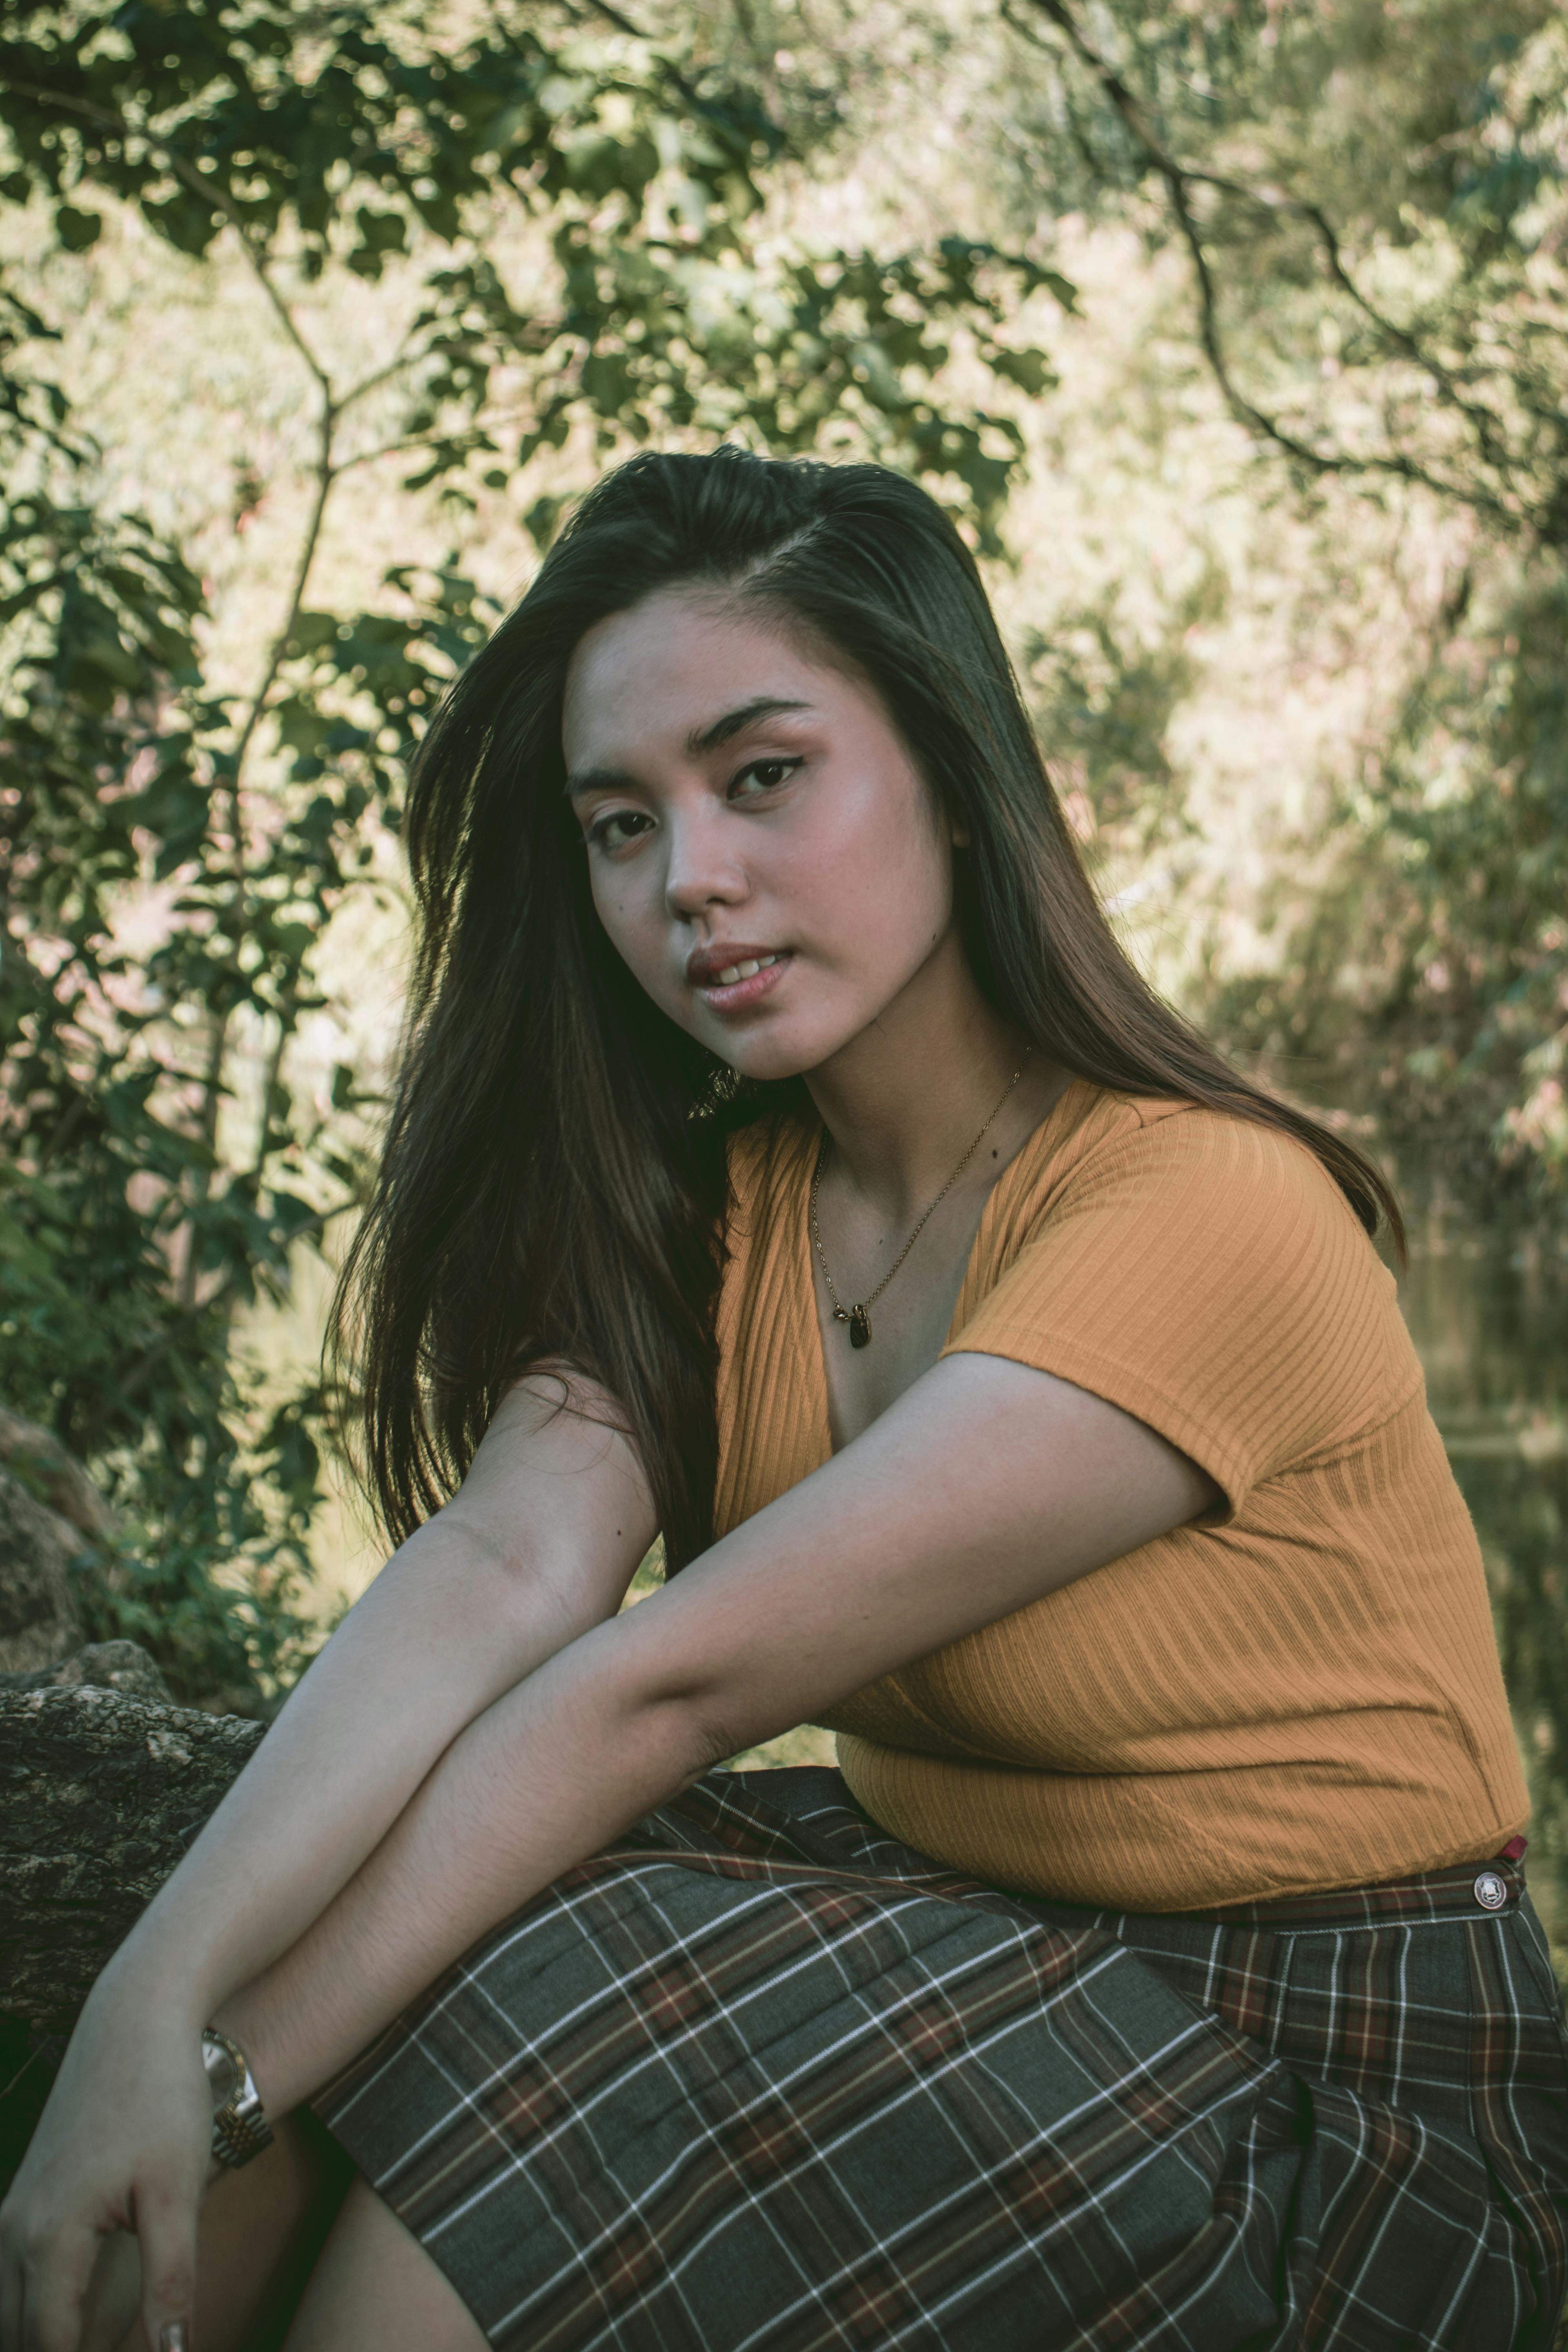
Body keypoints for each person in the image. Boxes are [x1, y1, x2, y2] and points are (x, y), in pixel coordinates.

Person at [3, 448, 1565, 2352]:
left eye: (761, 778)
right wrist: (148, 2007)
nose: (692, 881)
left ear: (956, 778)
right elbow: (504, 1566)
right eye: (619, 825)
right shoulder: (718, 1204)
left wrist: (221, 2074)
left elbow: (670, 1683)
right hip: (1003, 1952)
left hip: (1342, 2097)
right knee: (434, 1894)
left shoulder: (1205, 1210)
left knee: (587, 1960)